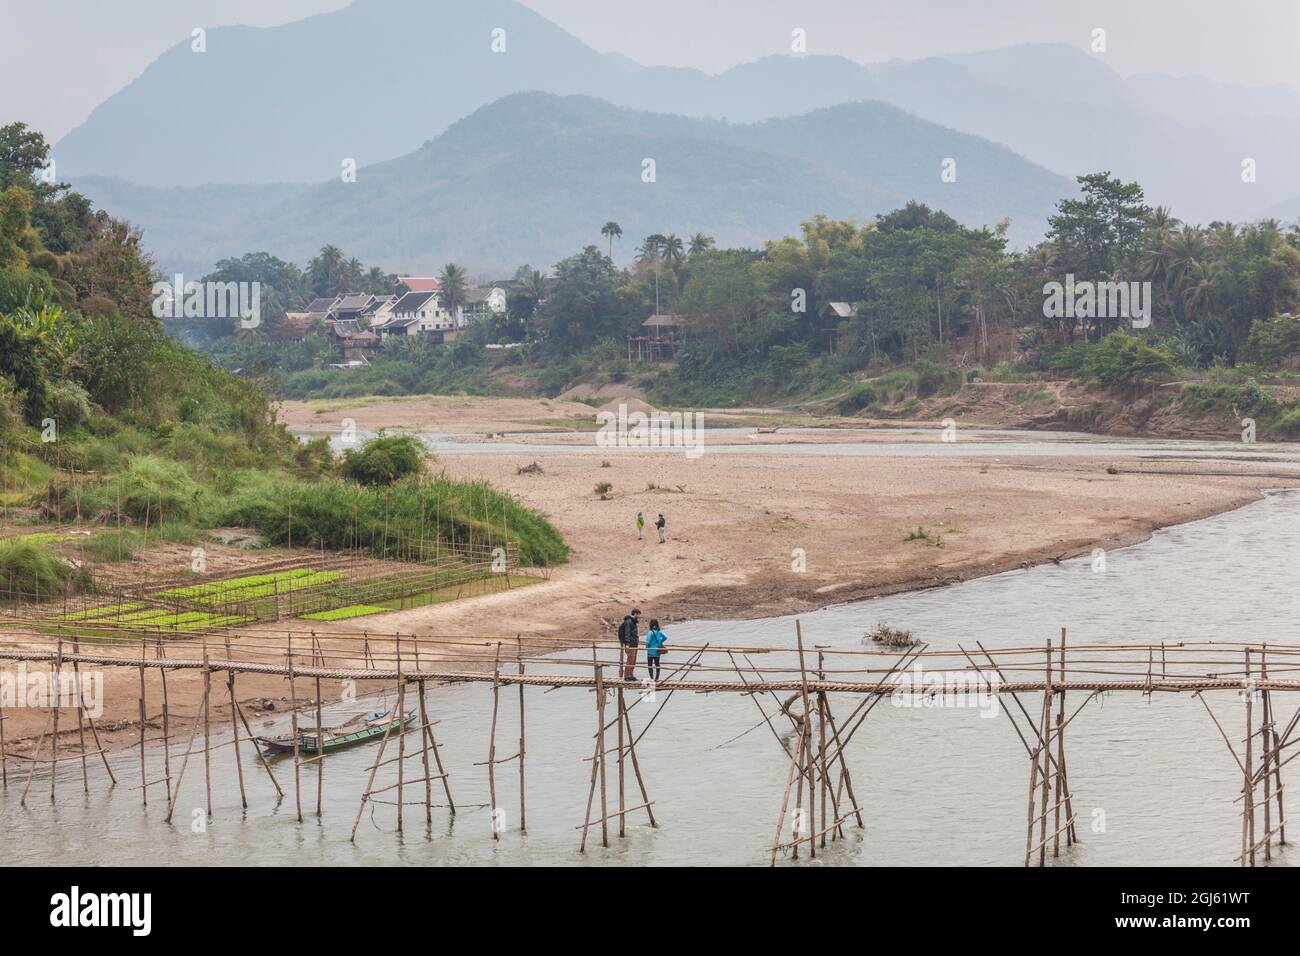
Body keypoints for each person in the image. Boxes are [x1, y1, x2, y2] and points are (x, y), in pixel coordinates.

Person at [618, 607, 641, 680]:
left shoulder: (633, 622)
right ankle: (627, 676)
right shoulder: (629, 622)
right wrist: (627, 644)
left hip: (634, 643)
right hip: (630, 644)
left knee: (633, 660)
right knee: (630, 659)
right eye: (638, 615)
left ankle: (631, 675)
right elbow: (627, 633)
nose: (639, 617)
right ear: (635, 614)